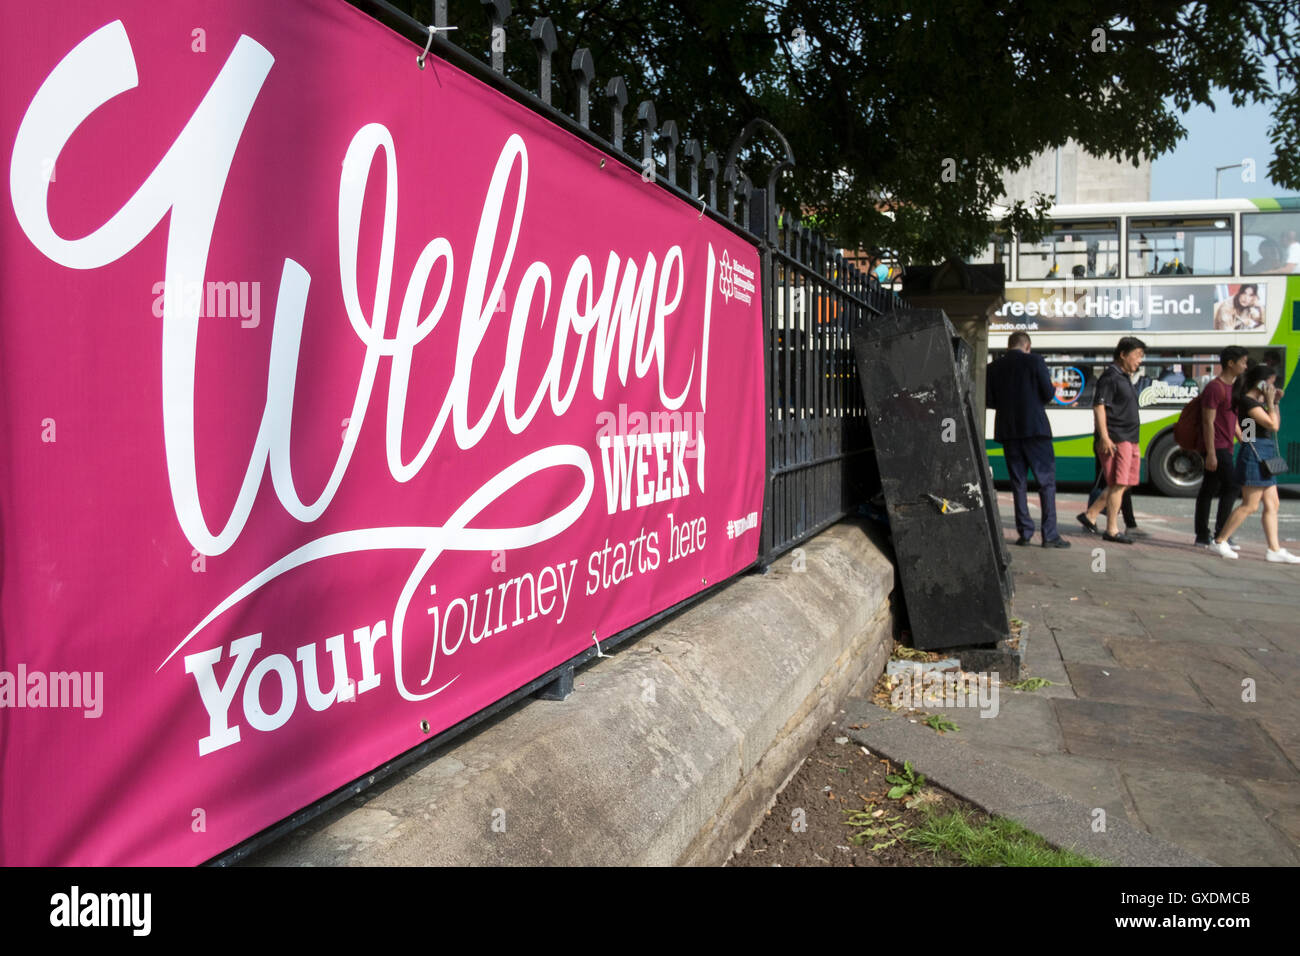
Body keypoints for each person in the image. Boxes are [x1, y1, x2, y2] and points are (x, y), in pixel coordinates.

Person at [1207, 363, 1299, 562]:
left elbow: (1250, 434)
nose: (1273, 388)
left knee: (1272, 504)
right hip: (1256, 456)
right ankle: (1219, 540)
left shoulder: (1252, 403)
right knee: (1250, 505)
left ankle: (1274, 549)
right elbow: (1272, 425)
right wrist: (1270, 402)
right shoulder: (1249, 402)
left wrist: (1274, 403)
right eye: (1271, 383)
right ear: (1261, 383)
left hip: (1261, 452)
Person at [986, 332, 1070, 548]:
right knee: (1046, 483)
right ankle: (1050, 536)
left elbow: (989, 399)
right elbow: (1048, 393)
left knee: (1018, 483)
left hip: (1009, 431)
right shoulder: (1035, 361)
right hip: (1035, 430)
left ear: (1008, 346)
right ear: (1027, 346)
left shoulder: (995, 367)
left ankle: (1025, 533)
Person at [1077, 336, 1146, 543]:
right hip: (1117, 438)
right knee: (1118, 482)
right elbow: (1099, 407)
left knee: (1125, 483)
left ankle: (1090, 515)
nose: (1140, 361)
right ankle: (1112, 530)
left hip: (1130, 438)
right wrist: (1105, 437)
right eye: (1137, 356)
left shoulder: (1124, 376)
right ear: (1123, 355)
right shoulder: (1110, 377)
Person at [1194, 346, 1250, 548]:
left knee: (1209, 488)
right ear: (1230, 363)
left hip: (1226, 445)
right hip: (1215, 446)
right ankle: (1221, 534)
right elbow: (1208, 421)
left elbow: (1232, 418)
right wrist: (1210, 453)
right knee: (1233, 486)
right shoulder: (1214, 388)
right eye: (1243, 362)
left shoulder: (1234, 387)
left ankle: (1203, 536)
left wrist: (1242, 438)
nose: (1245, 366)